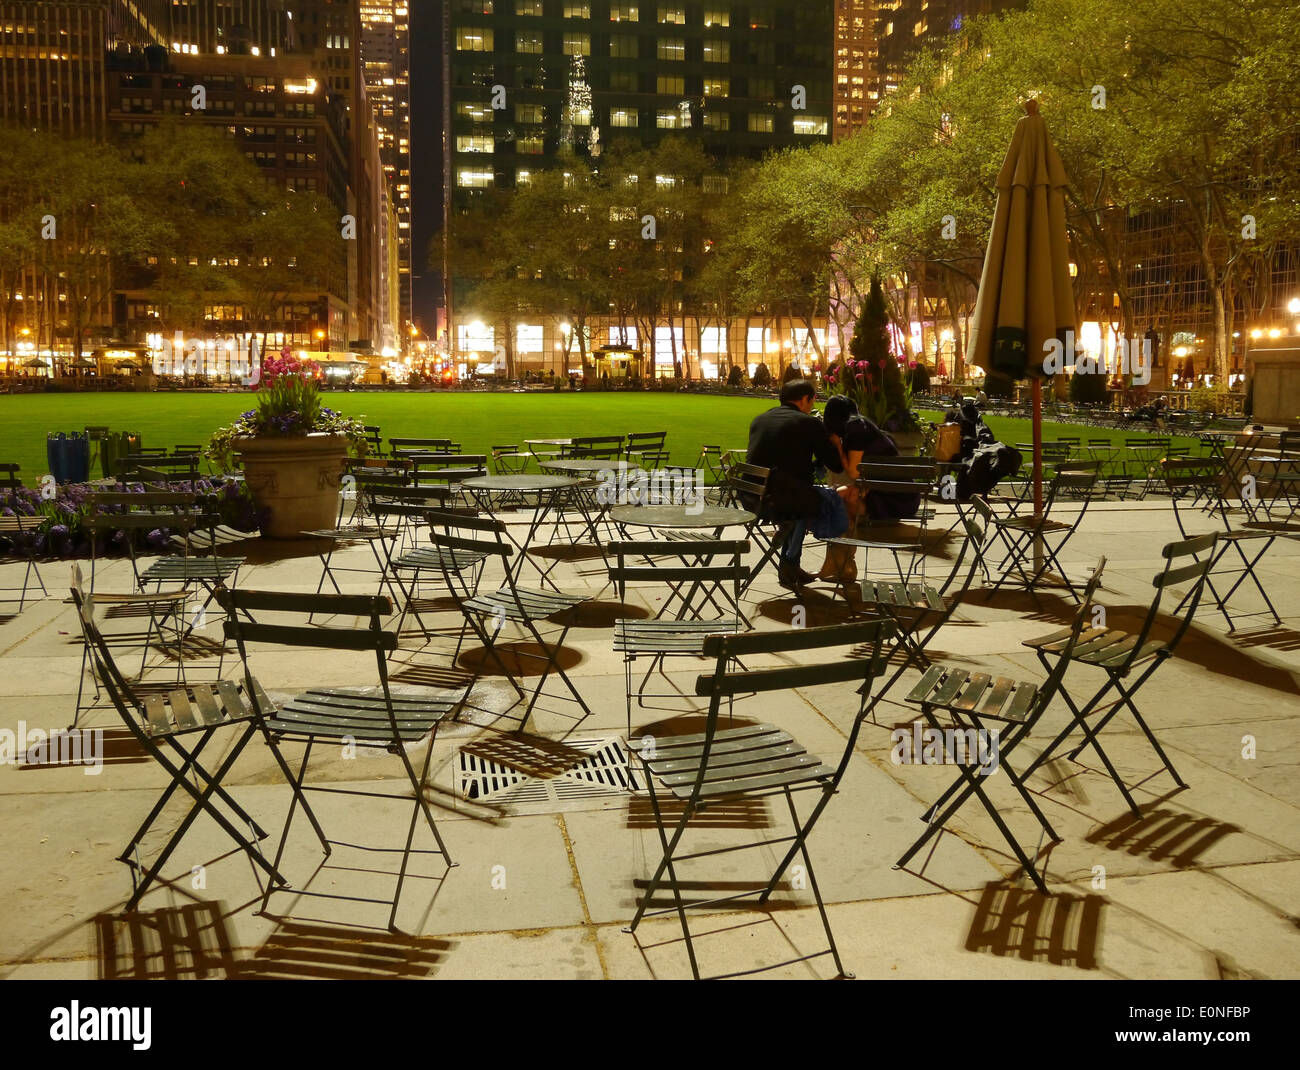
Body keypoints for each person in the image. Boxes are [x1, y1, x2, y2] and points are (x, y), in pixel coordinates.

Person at [745, 379, 847, 591]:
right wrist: (835, 443)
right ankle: (791, 562)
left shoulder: (760, 419)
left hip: (752, 497)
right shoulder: (808, 423)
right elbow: (836, 466)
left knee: (801, 496)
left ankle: (791, 563)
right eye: (812, 400)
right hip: (781, 500)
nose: (812, 406)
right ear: (804, 400)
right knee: (820, 500)